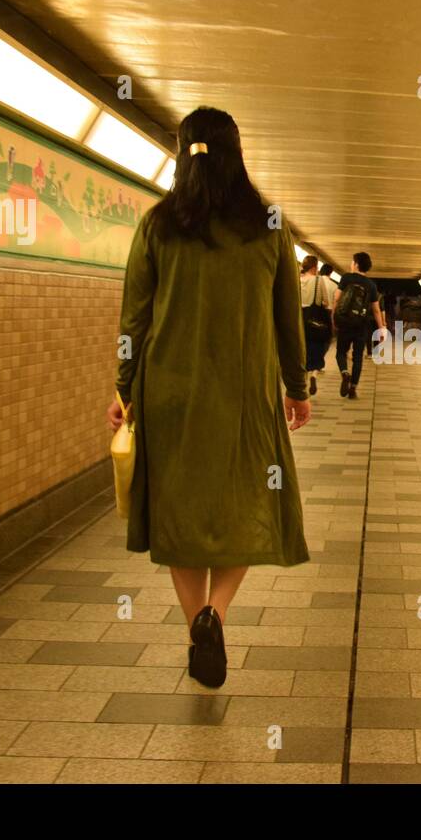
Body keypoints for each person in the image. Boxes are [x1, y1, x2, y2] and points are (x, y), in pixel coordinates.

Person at [106, 107, 311, 690]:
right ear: (236, 152)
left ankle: (193, 622)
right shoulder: (269, 225)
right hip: (244, 397)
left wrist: (124, 388)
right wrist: (297, 390)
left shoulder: (159, 224)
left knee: (182, 513)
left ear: (181, 151)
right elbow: (285, 320)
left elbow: (134, 318)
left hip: (168, 393)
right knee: (245, 507)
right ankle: (214, 615)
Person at [332, 251, 385, 399]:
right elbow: (376, 310)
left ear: (356, 264)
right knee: (358, 357)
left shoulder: (346, 278)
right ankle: (353, 388)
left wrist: (333, 318)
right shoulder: (371, 285)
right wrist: (381, 329)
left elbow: (336, 299)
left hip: (344, 322)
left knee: (341, 352)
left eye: (351, 262)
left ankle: (344, 373)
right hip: (361, 324)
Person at [299, 254, 334, 393]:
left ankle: (303, 379)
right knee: (317, 348)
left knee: (303, 350)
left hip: (299, 320)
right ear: (314, 267)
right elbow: (325, 301)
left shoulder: (297, 280)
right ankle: (313, 375)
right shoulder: (318, 280)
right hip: (315, 321)